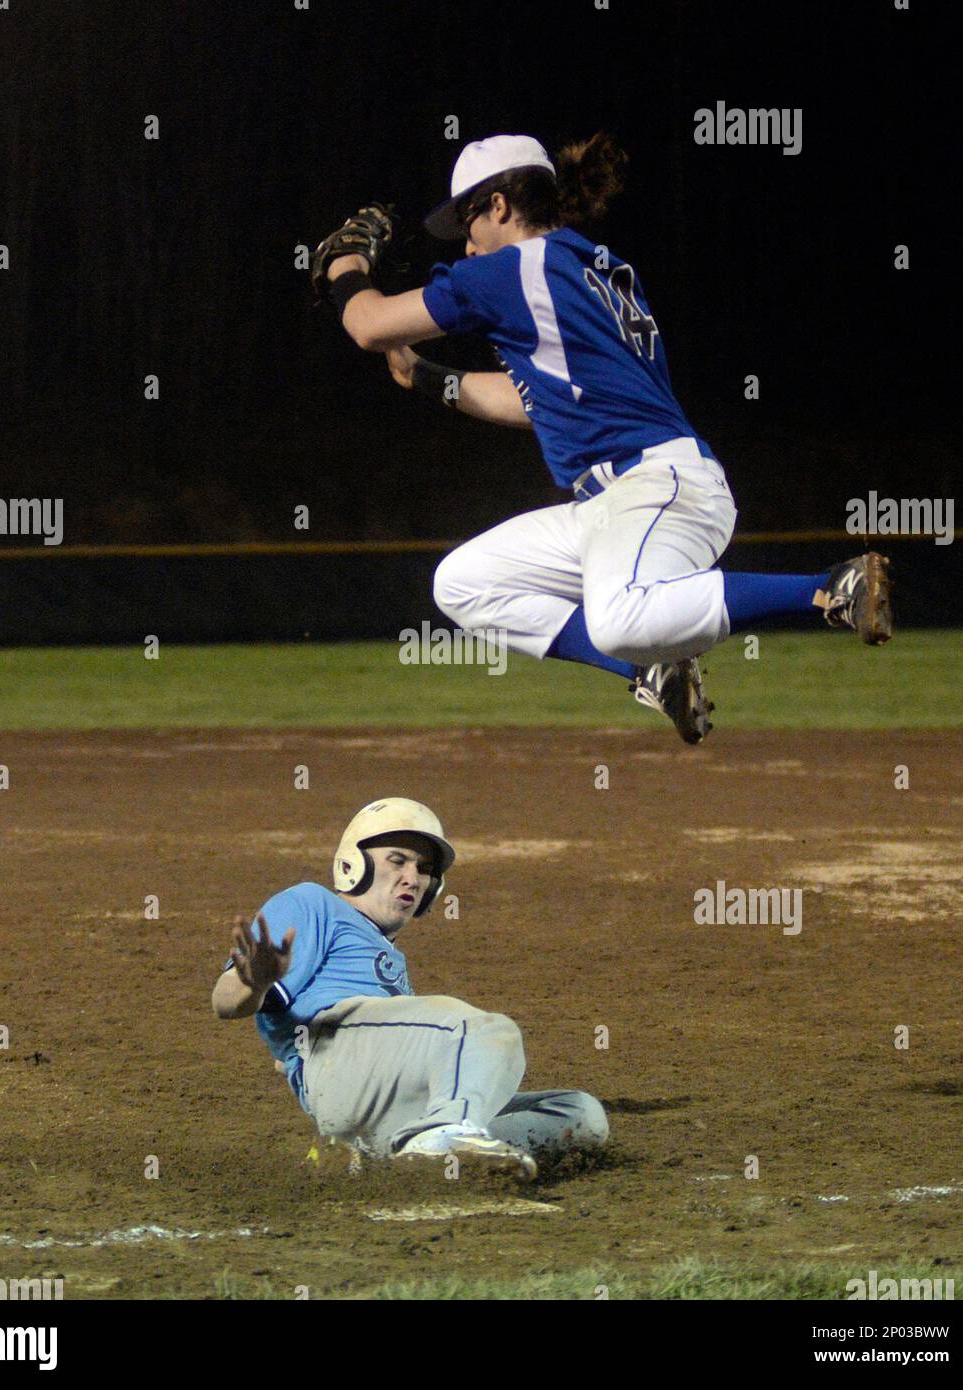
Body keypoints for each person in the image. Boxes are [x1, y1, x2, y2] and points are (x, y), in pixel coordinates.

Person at [311, 133, 893, 744]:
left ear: (502, 206)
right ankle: (653, 670)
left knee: (619, 617)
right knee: (464, 581)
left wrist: (344, 267)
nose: (466, 241)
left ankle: (829, 589)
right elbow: (537, 402)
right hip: (612, 503)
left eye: (469, 218)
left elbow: (369, 324)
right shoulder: (583, 267)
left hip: (658, 485)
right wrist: (424, 377)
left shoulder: (516, 268)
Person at [211, 797, 609, 1180]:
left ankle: (396, 1159)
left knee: (579, 1113)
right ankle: (446, 1135)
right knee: (484, 1030)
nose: (412, 878)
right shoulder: (312, 903)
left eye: (423, 869)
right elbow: (225, 1002)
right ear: (356, 863)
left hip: (379, 1100)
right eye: (397, 860)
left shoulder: (391, 965)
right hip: (339, 1056)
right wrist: (254, 982)